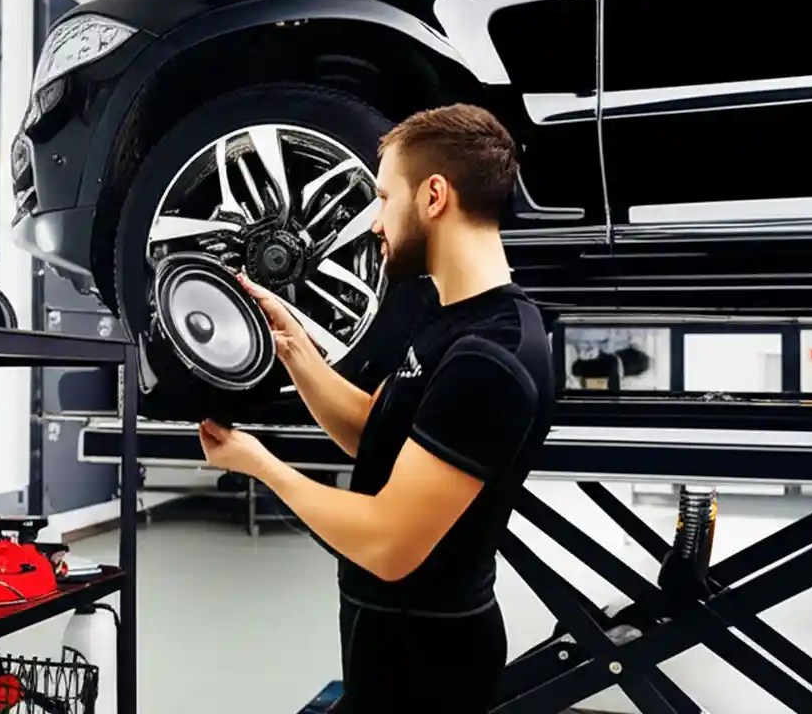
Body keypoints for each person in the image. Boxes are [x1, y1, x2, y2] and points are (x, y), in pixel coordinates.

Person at [197, 103, 556, 712]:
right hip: (387, 634)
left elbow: (391, 543)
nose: (373, 223)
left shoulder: (491, 356)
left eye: (386, 197)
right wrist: (294, 349)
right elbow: (376, 435)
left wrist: (262, 466)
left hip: (428, 658)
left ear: (434, 195)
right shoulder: (450, 316)